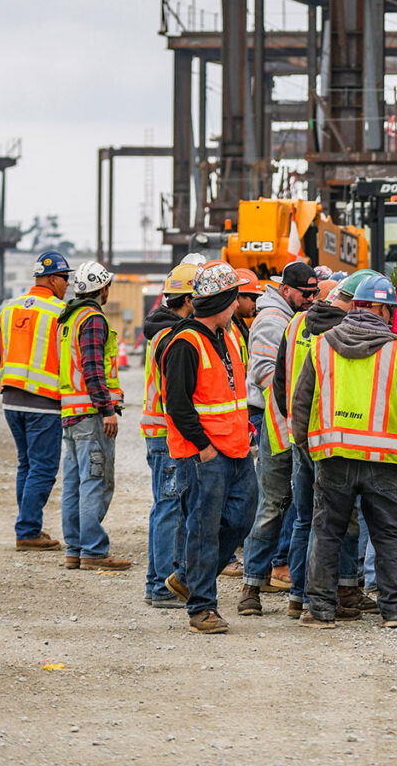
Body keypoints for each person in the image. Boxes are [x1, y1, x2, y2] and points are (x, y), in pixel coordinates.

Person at [292, 272, 397, 628]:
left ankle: (320, 611)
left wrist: (308, 445)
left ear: (354, 306)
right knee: (389, 536)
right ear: (383, 311)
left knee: (327, 533)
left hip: (334, 457)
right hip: (384, 462)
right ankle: (393, 613)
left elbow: (301, 403)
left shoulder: (321, 345)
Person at [161, 261, 257, 633]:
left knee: (241, 517)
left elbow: (231, 391)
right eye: (236, 299)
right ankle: (202, 607)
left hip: (235, 448)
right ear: (226, 300)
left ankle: (188, 578)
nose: (239, 307)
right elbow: (178, 405)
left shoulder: (230, 335)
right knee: (203, 529)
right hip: (205, 455)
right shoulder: (185, 343)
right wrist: (203, 446)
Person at [273, 267, 367, 618]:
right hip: (330, 437)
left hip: (301, 433)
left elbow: (282, 381)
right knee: (334, 519)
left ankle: (297, 597)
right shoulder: (345, 331)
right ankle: (328, 595)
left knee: (303, 519)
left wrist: (295, 424)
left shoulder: (296, 323)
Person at [0, 248, 70, 550]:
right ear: (53, 279)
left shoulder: (10, 308)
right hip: (43, 401)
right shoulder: (59, 312)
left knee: (27, 466)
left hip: (12, 401)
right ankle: (28, 531)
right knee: (42, 468)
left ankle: (29, 526)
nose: (67, 284)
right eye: (65, 278)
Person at [240, 258, 320, 610]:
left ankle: (294, 593)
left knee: (300, 511)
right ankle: (251, 587)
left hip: (297, 427)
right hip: (277, 426)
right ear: (286, 289)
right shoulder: (273, 321)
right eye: (306, 293)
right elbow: (262, 373)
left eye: (315, 292)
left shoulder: (298, 320)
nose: (311, 298)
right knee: (272, 505)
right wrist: (302, 397)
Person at [57, 259, 128, 573]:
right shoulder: (93, 319)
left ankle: (75, 549)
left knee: (74, 484)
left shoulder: (69, 319)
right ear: (103, 288)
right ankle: (94, 551)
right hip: (90, 414)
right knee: (95, 483)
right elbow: (93, 370)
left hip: (71, 413)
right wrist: (107, 409)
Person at [141, 259, 197, 607]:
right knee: (170, 508)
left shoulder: (160, 331)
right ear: (189, 301)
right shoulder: (173, 336)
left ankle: (156, 583)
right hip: (166, 431)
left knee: (165, 506)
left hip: (158, 429)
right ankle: (162, 587)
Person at [231, 270, 262, 370]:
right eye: (253, 298)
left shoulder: (240, 325)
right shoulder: (227, 329)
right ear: (237, 297)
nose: (256, 303)